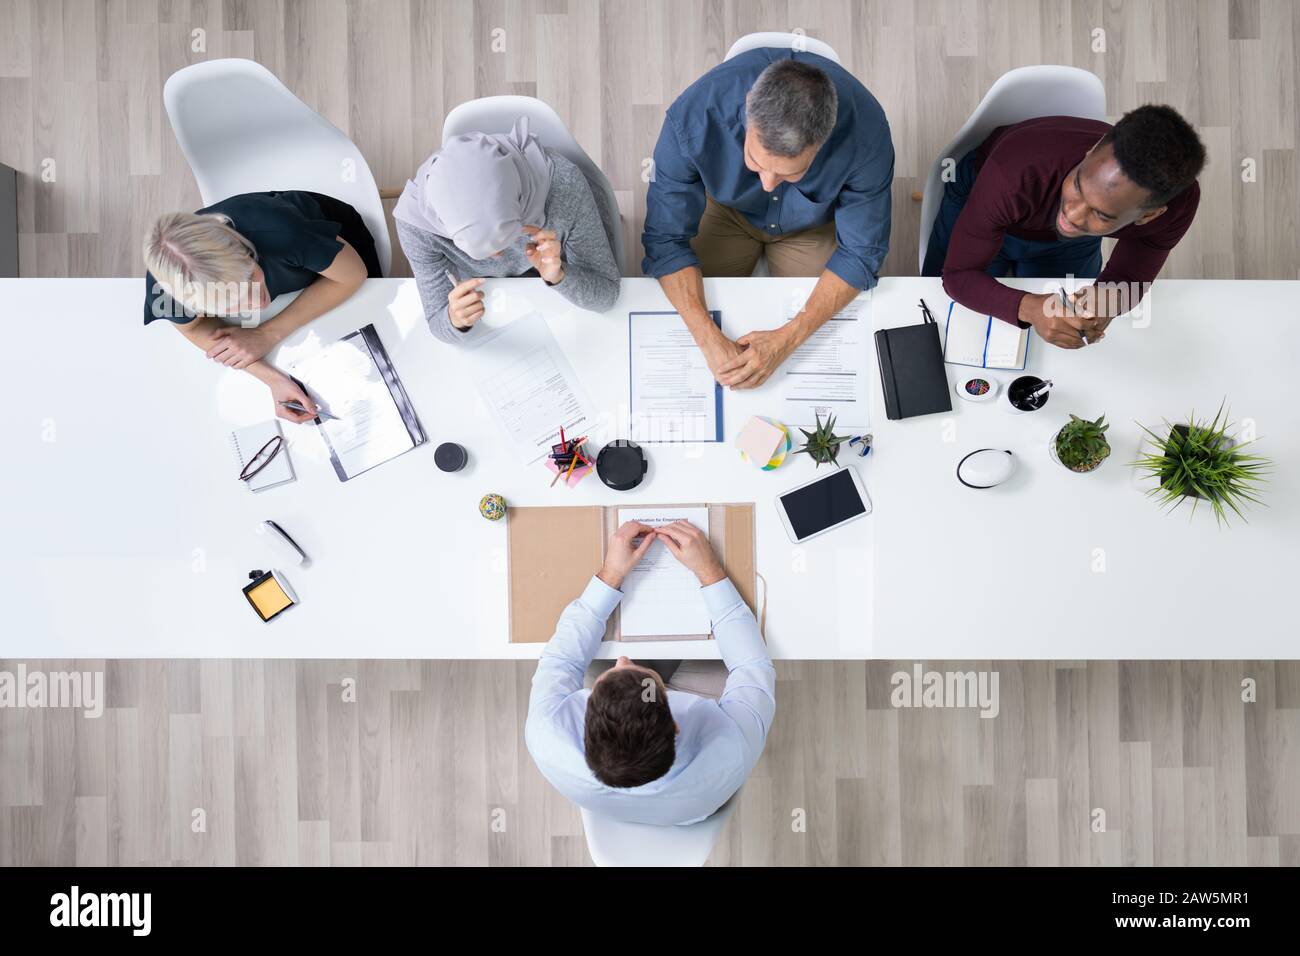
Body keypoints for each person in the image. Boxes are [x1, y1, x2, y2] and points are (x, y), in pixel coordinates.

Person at [641, 49, 893, 388]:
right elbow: (665, 240)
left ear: (824, 140)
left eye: (791, 173)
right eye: (755, 162)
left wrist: (787, 338)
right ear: (748, 107)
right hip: (727, 211)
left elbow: (861, 254)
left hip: (811, 226)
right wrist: (707, 338)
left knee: (824, 349)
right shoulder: (691, 119)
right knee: (692, 326)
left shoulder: (867, 136)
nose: (768, 183)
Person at [525, 520, 775, 826]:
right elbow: (751, 666)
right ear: (676, 723)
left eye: (609, 678)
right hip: (693, 797)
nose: (623, 659)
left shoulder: (545, 735)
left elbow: (562, 660)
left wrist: (611, 574)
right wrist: (709, 570)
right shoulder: (730, 748)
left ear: (585, 721)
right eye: (644, 679)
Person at [922, 104, 1206, 349]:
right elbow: (958, 274)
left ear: (1148, 216)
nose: (1070, 214)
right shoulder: (1012, 174)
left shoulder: (1177, 207)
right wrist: (1030, 308)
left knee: (1057, 329)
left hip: (1071, 242)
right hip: (989, 201)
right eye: (1078, 185)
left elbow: (1129, 280)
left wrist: (1108, 301)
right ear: (1091, 151)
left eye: (1101, 213)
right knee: (938, 307)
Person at [142, 190, 382, 423]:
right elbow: (192, 328)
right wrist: (273, 379)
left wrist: (266, 333)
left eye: (250, 278)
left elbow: (352, 275)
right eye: (231, 305)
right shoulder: (167, 289)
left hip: (334, 247)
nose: (257, 302)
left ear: (241, 245)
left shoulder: (283, 231)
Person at [395, 118, 621, 344]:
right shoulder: (417, 225)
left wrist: (560, 275)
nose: (497, 257)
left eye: (504, 239)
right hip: (491, 310)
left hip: (558, 299)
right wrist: (455, 320)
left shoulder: (565, 187)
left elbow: (607, 294)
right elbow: (437, 319)